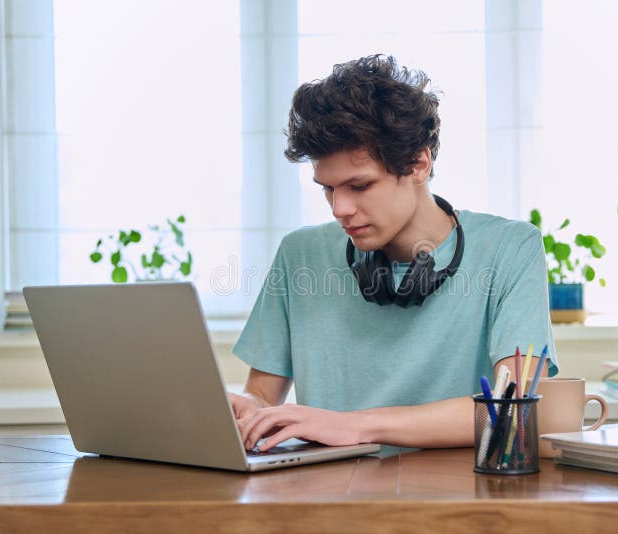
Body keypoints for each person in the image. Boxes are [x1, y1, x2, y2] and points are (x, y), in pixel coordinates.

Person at [230, 54, 558, 452]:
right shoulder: (299, 254)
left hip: (456, 485)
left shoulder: (511, 248)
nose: (339, 209)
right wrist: (250, 409)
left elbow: (513, 408)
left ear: (418, 164)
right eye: (328, 188)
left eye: (360, 186)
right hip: (326, 485)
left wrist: (356, 426)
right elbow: (262, 395)